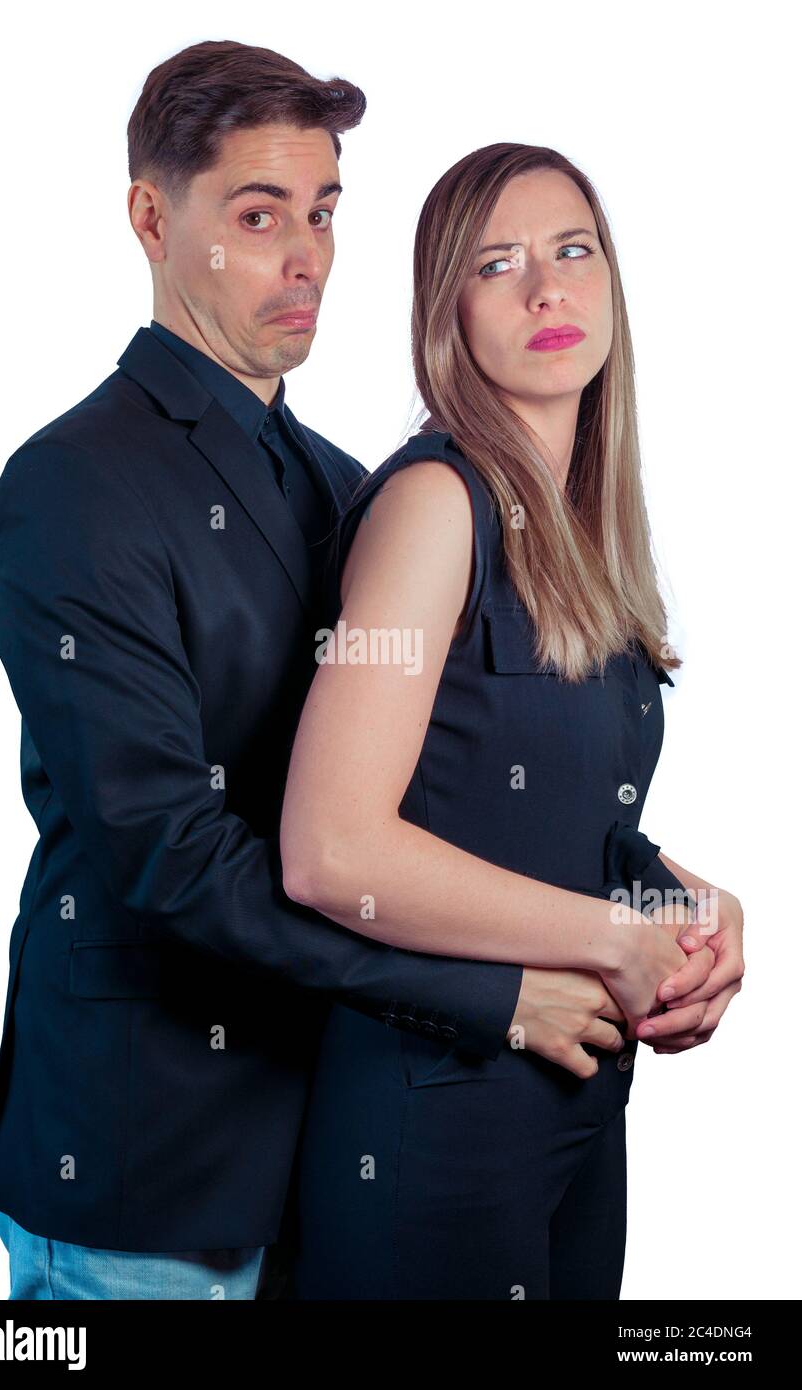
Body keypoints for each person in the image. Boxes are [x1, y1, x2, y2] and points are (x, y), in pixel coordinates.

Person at [0, 39, 538, 1302]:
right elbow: (170, 853)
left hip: (336, 1153)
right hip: (142, 1178)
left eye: (325, 212)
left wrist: (641, 910)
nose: (308, 258)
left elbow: (445, 781)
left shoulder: (352, 491)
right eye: (259, 213)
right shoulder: (71, 484)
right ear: (151, 217)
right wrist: (486, 990)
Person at [280, 144, 745, 1300]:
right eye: (500, 264)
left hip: (575, 1110)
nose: (547, 288)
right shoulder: (437, 506)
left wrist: (683, 909)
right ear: (449, 315)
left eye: (572, 250)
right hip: (434, 1119)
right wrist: (612, 937)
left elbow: (544, 817)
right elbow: (331, 849)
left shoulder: (588, 534)